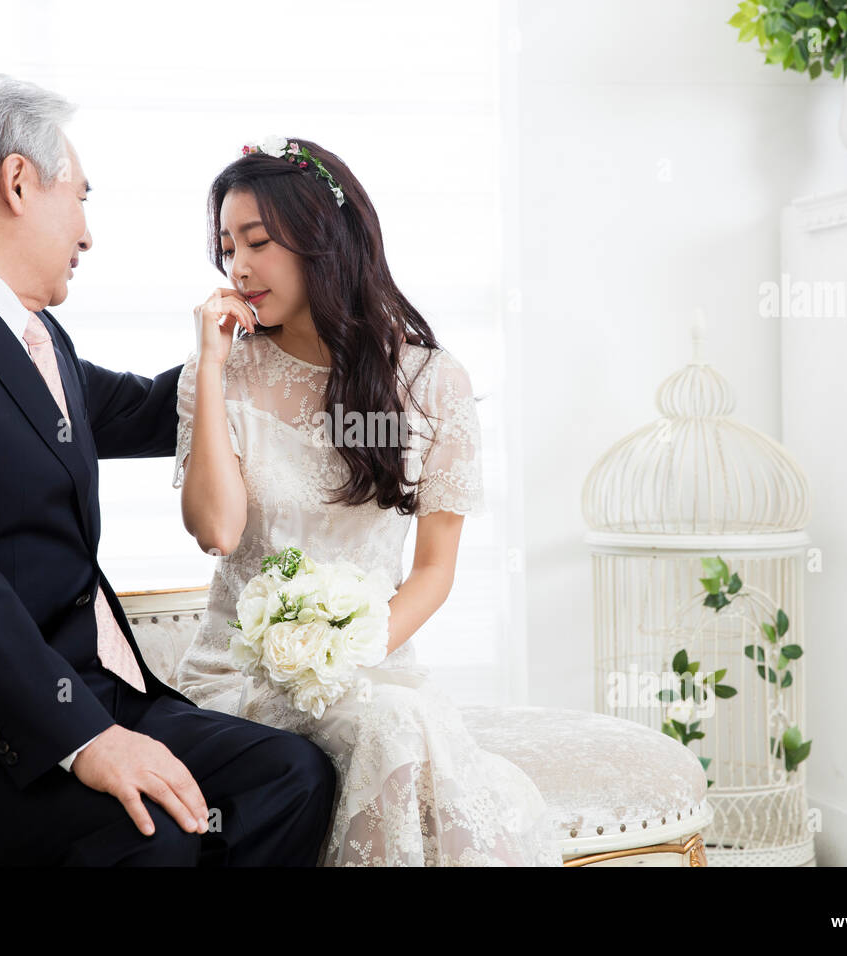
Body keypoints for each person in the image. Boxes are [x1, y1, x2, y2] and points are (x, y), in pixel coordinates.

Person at [0, 75, 336, 866]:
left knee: (292, 776)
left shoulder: (33, 333)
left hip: (78, 688)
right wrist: (86, 740)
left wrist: (266, 339)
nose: (88, 233)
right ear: (18, 183)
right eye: (81, 197)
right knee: (157, 836)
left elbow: (153, 408)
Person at [172, 136, 560, 866]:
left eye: (257, 241)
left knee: (394, 721)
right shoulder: (223, 372)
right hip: (239, 675)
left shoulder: (432, 382)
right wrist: (216, 367)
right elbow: (217, 530)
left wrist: (342, 655)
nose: (238, 267)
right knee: (392, 727)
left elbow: (434, 572)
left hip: (375, 671)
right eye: (225, 248)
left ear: (325, 238)